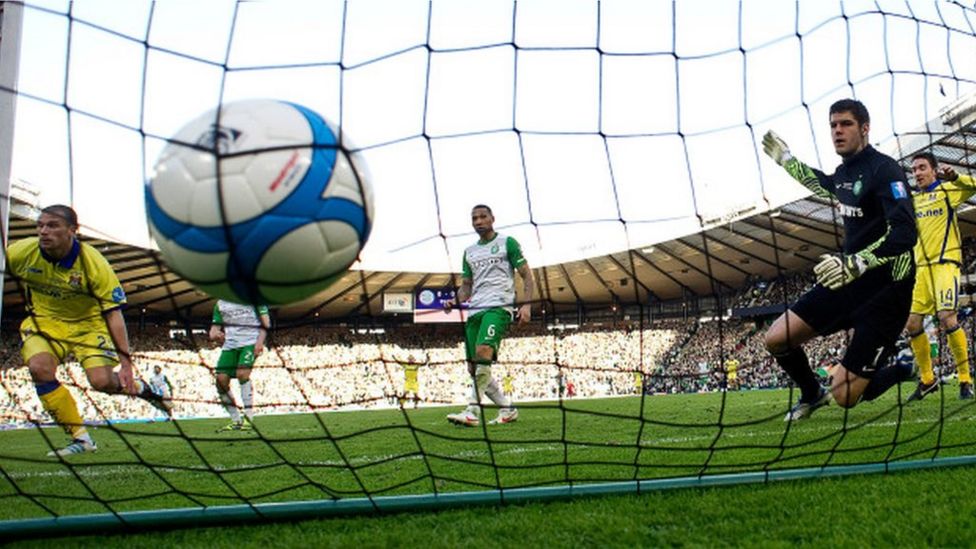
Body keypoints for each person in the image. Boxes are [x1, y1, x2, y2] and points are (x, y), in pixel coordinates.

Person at [761, 99, 918, 420]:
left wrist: (858, 261)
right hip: (847, 281)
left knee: (845, 396)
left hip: (887, 292)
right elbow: (823, 185)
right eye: (833, 125)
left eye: (845, 124)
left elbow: (905, 234)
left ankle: (903, 369)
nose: (837, 131)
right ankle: (811, 394)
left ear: (864, 128)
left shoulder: (885, 169)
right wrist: (787, 160)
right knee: (776, 339)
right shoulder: (844, 173)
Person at [6, 205, 172, 456]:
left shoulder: (93, 262)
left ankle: (142, 389)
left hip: (89, 326)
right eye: (40, 225)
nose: (43, 231)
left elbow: (114, 313)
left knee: (102, 382)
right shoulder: (22, 252)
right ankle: (81, 439)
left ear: (72, 230)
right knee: (39, 368)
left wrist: (126, 364)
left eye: (52, 226)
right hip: (45, 323)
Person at [444, 204, 534, 426]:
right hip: (475, 311)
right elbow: (466, 288)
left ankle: (472, 411)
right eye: (474, 218)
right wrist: (453, 301)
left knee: (483, 351)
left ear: (493, 218)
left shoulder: (507, 243)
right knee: (473, 367)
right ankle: (507, 409)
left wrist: (526, 305)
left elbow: (527, 276)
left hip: (498, 307)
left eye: (483, 216)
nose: (478, 221)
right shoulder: (469, 252)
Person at [903, 153, 976, 401]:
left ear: (934, 170)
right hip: (921, 270)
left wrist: (956, 176)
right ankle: (927, 380)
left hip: (945, 265)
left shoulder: (948, 190)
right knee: (912, 324)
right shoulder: (912, 202)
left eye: (922, 168)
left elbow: (973, 185)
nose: (918, 173)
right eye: (914, 169)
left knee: (947, 318)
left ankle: (965, 380)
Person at [209, 299, 270, 431]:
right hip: (230, 345)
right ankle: (236, 420)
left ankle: (248, 417)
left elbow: (266, 322)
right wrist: (214, 334)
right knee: (221, 380)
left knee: (242, 374)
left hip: (250, 342)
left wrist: (260, 342)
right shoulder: (220, 303)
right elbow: (215, 328)